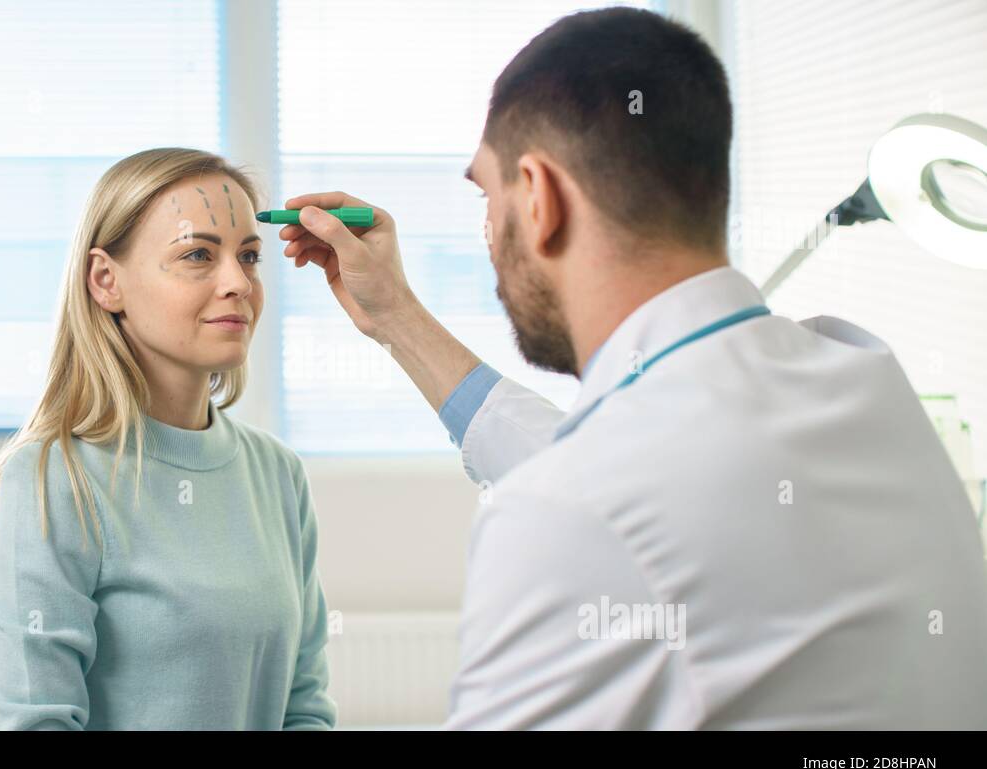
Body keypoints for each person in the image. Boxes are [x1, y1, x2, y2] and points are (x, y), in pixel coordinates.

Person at [276, 8, 987, 728]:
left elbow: (602, 503)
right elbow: (630, 484)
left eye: (486, 198)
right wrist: (397, 316)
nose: (488, 236)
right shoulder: (863, 372)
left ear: (541, 195)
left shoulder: (576, 509)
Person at [0, 148, 337, 730]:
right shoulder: (52, 480)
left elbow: (305, 706)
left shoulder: (277, 473)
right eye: (197, 255)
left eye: (248, 256)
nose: (238, 283)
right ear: (106, 280)